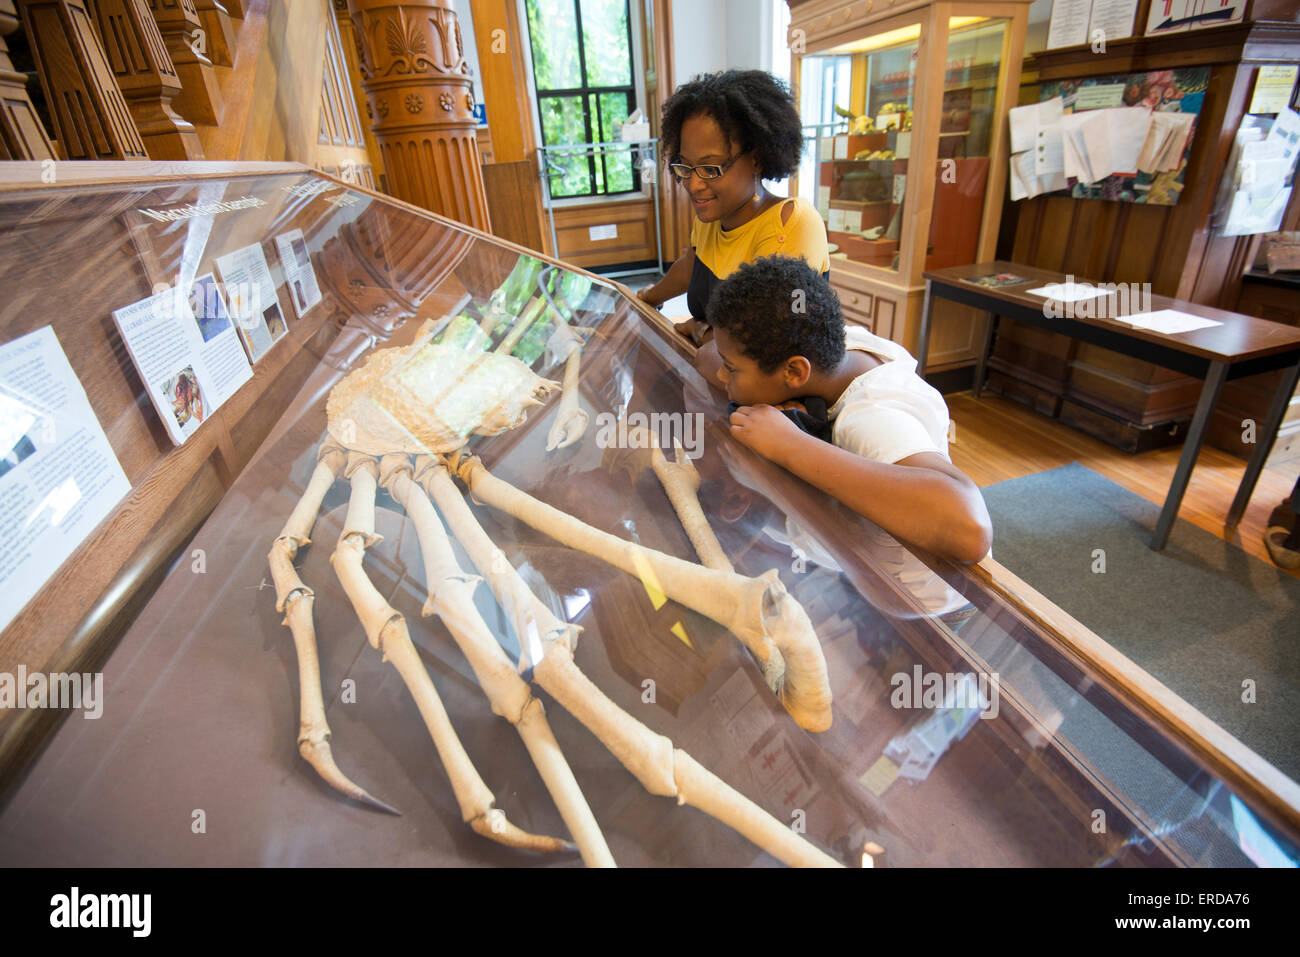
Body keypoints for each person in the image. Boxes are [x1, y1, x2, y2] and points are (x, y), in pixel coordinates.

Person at [708, 255, 993, 565]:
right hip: (860, 563)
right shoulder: (840, 349)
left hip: (913, 598)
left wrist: (788, 444)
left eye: (731, 369)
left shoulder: (871, 419)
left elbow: (970, 531)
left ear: (793, 372)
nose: (722, 375)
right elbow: (705, 356)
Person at [636, 70, 829, 384]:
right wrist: (645, 298)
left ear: (756, 159)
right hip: (716, 383)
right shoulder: (714, 217)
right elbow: (691, 266)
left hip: (770, 404)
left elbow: (760, 348)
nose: (694, 184)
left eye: (711, 168)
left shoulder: (791, 222)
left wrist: (701, 330)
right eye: (685, 166)